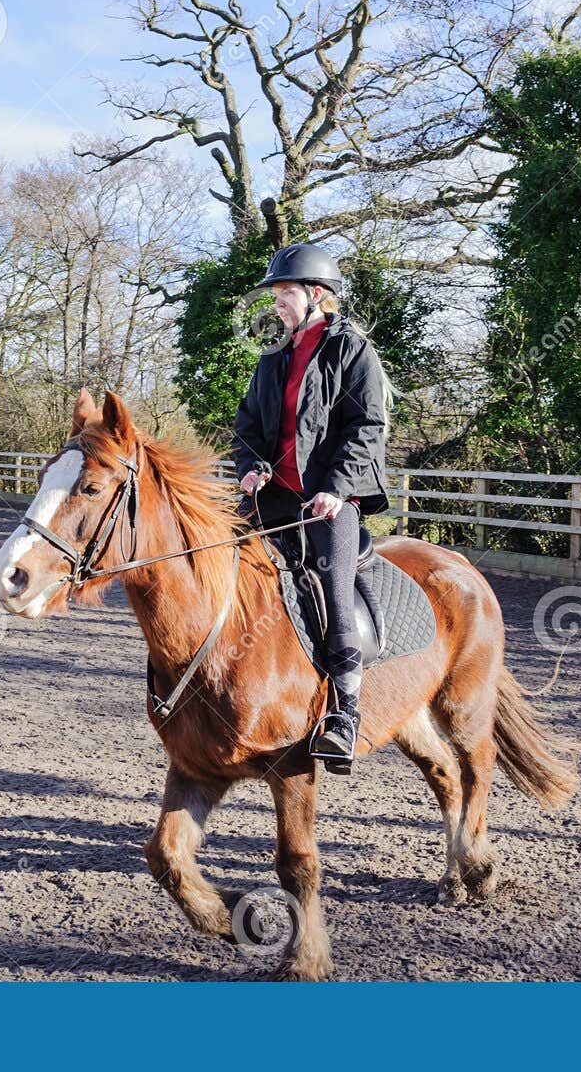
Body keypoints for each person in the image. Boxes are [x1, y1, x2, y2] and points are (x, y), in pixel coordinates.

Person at [232, 243, 394, 773]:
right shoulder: (273, 354)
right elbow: (249, 427)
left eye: (284, 293)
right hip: (271, 499)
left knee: (333, 586)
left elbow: (367, 427)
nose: (276, 302)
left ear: (317, 295)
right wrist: (251, 468)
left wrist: (338, 487)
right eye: (275, 293)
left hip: (328, 502)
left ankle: (345, 715)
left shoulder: (352, 351)